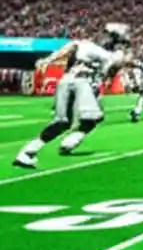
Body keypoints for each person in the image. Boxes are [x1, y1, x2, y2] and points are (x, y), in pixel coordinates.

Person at [14, 23, 133, 169]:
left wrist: (48, 60)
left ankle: (27, 152)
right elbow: (112, 68)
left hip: (67, 81)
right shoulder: (107, 53)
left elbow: (70, 48)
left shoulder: (89, 46)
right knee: (93, 118)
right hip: (82, 83)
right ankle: (68, 143)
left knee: (62, 122)